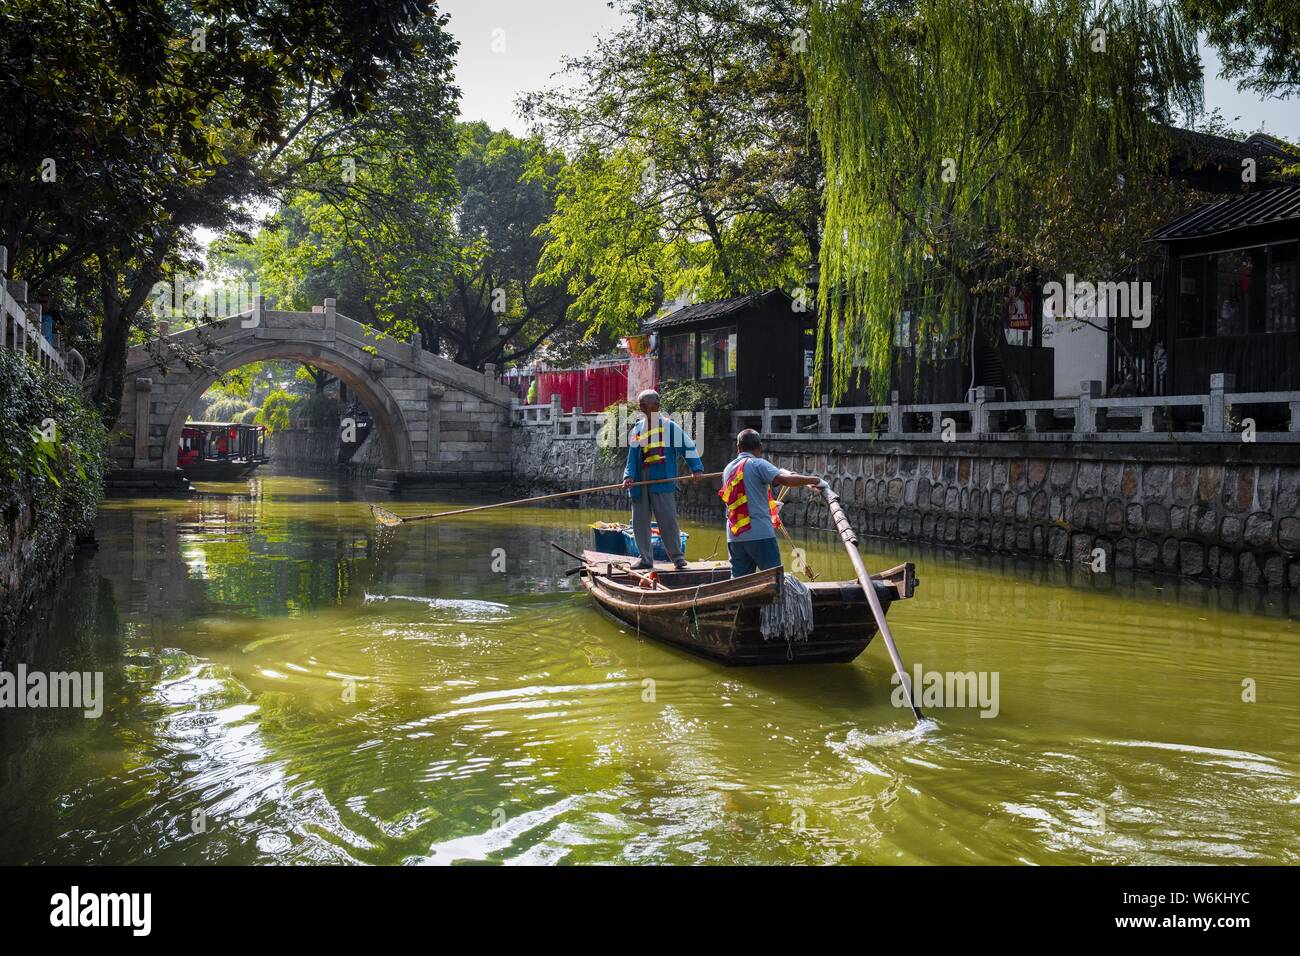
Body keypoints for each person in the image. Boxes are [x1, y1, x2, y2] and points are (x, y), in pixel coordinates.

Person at [719, 429, 827, 578]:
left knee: (739, 584)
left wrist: (770, 505)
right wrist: (815, 480)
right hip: (759, 533)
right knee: (774, 580)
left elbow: (747, 496)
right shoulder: (758, 464)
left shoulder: (728, 469)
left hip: (735, 535)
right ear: (760, 446)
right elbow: (786, 480)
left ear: (738, 447)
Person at [622, 389, 705, 570]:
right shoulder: (637, 429)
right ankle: (645, 558)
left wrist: (696, 468)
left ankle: (678, 559)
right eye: (640, 405)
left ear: (656, 406)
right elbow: (632, 457)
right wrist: (628, 476)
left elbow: (688, 446)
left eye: (645, 405)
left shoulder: (670, 427)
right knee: (640, 522)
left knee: (668, 520)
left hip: (662, 478)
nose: (642, 408)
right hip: (640, 482)